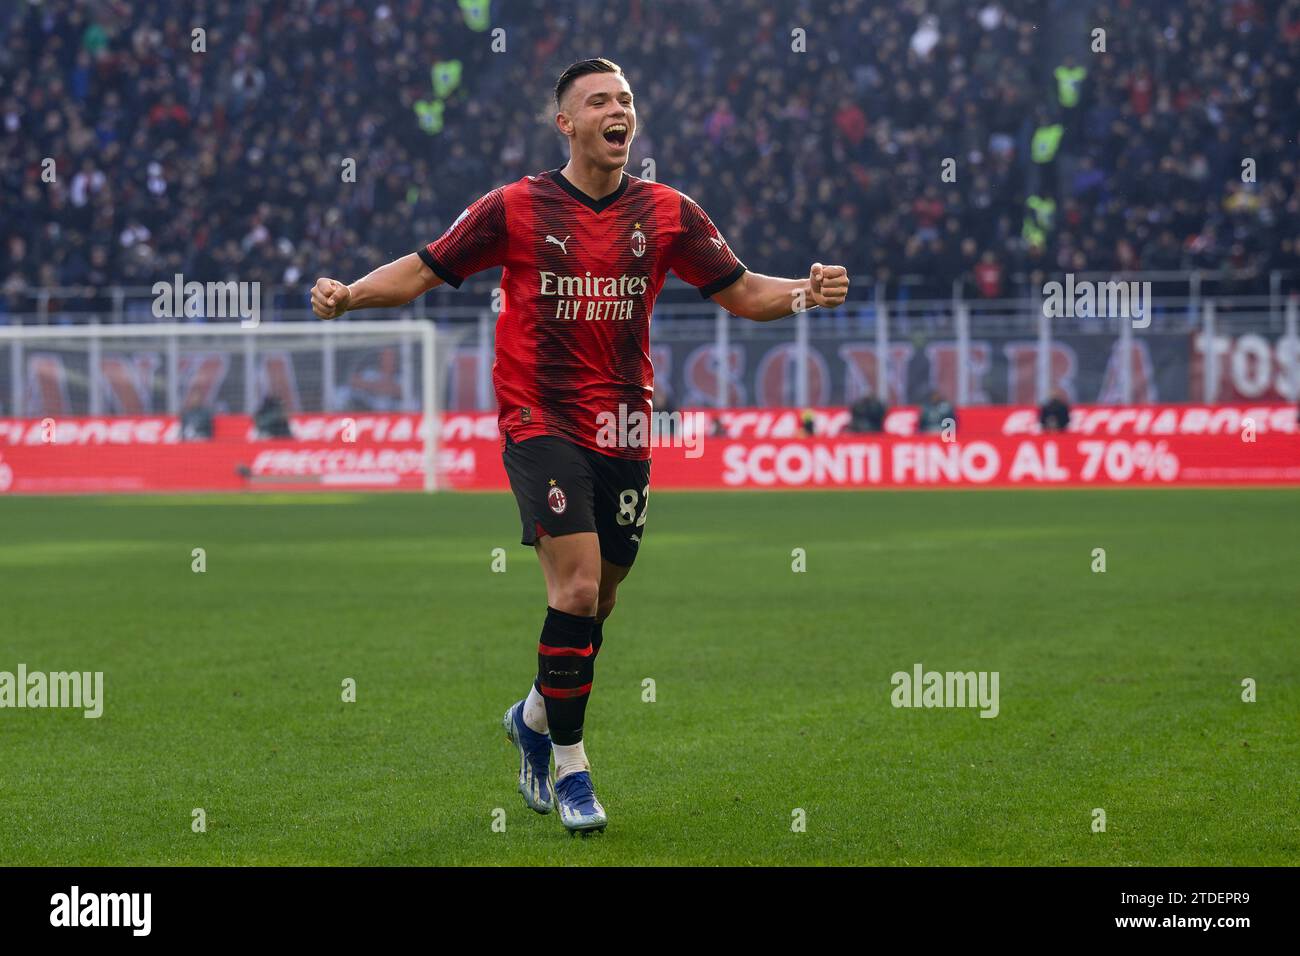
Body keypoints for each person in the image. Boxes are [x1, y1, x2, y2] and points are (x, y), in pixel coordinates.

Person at [309, 58, 849, 835]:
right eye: (599, 101)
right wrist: (351, 293)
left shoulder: (668, 213)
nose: (616, 109)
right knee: (577, 590)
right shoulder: (515, 207)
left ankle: (532, 714)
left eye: (626, 98)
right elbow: (426, 269)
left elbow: (741, 292)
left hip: (626, 426)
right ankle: (571, 767)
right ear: (567, 123)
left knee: (605, 596)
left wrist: (804, 289)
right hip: (540, 418)